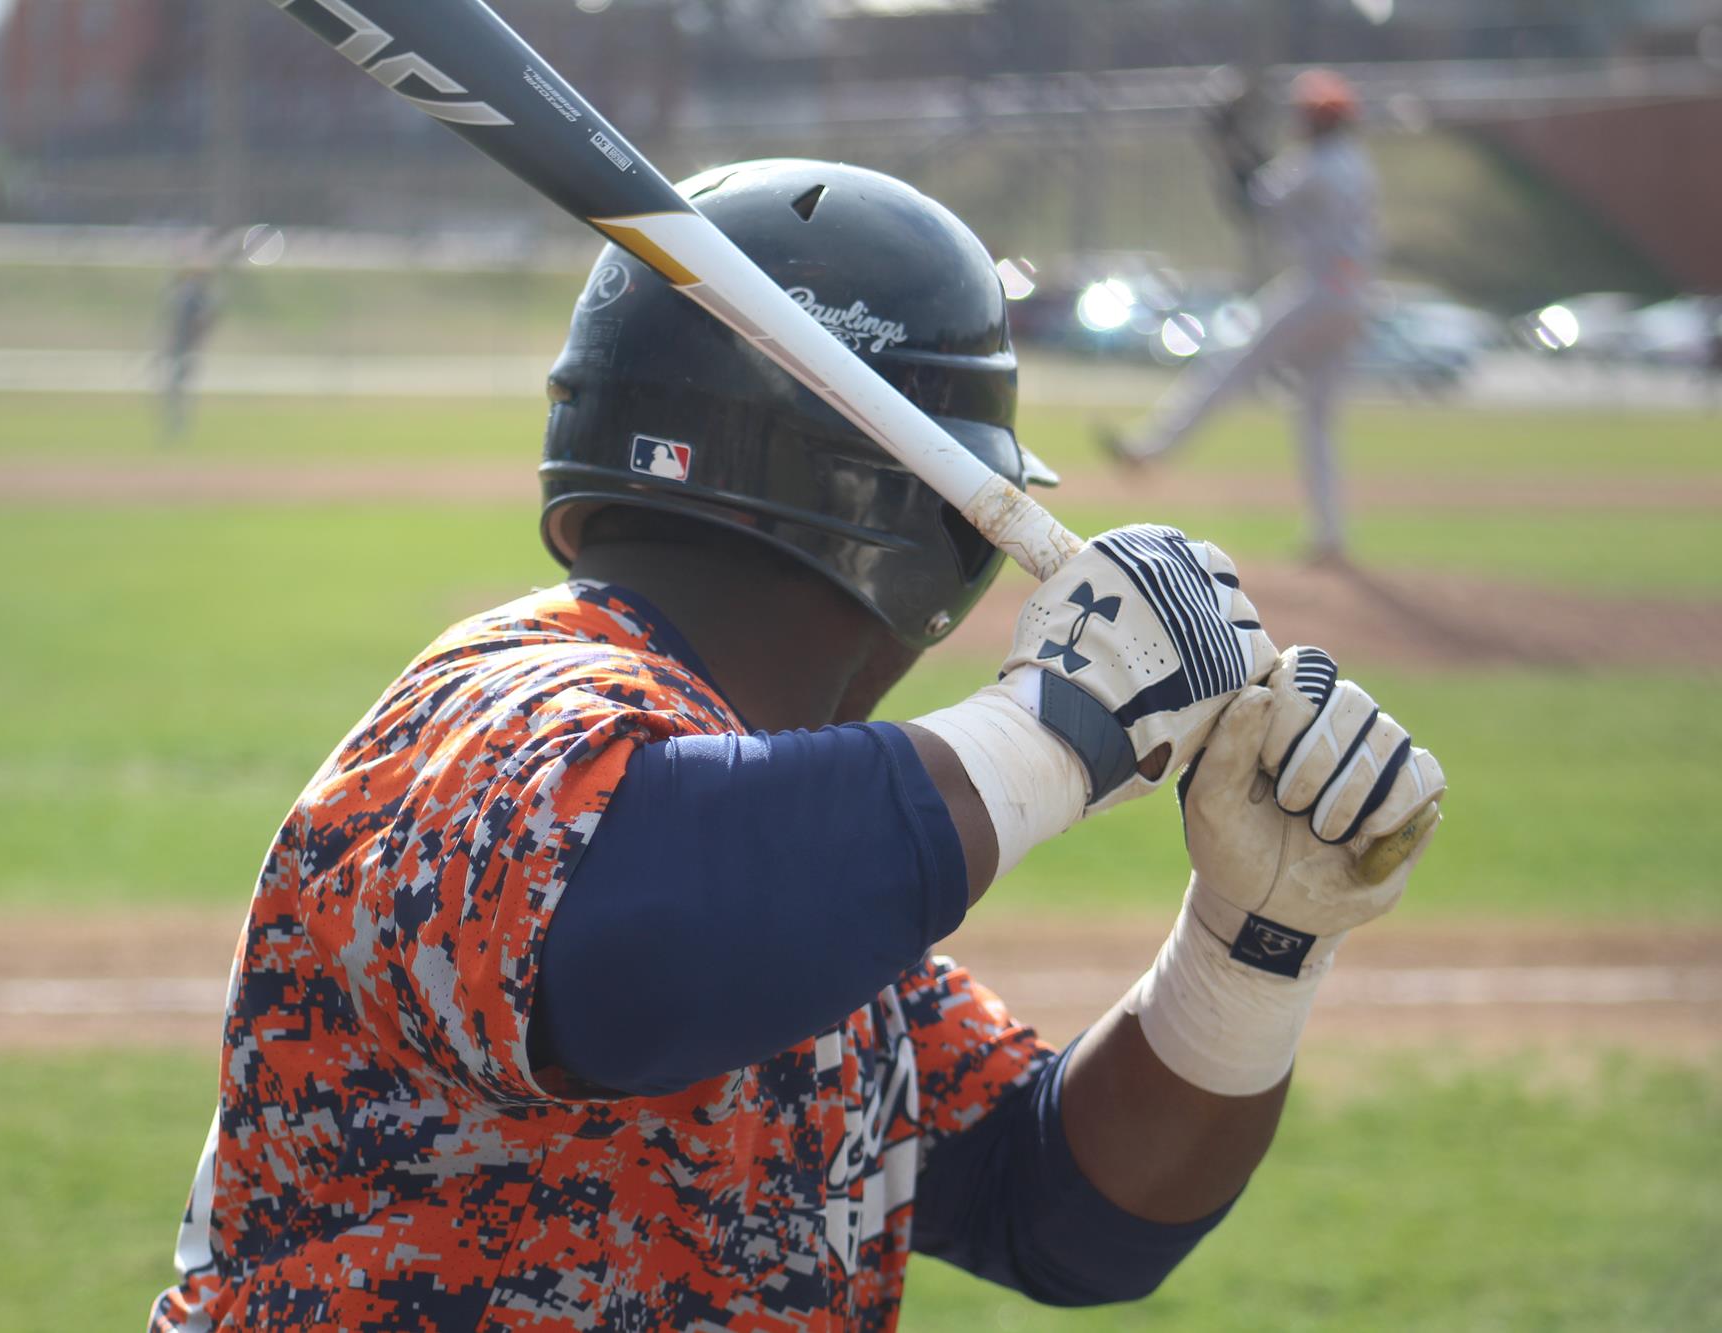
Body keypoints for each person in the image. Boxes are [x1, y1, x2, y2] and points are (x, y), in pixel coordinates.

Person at [151, 160, 1445, 1332]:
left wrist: (1252, 946)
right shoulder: (499, 713)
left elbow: (1063, 1212)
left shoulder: (797, 882)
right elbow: (638, 943)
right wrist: (1060, 731)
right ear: (933, 530)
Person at [1101, 70, 1379, 564]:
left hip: (1316, 290)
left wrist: (1228, 141)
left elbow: (1252, 198)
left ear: (1320, 120)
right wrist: (1239, 144)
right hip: (1353, 295)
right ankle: (1329, 535)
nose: (1302, 121)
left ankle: (1149, 449)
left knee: (1230, 365)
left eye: (1309, 114)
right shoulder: (1355, 163)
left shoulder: (1317, 164)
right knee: (1316, 417)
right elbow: (1269, 186)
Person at [160, 260, 220, 441]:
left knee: (178, 387)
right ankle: (177, 422)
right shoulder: (195, 297)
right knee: (178, 387)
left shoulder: (193, 297)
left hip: (185, 347)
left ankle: (178, 423)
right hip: (185, 346)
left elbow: (199, 322)